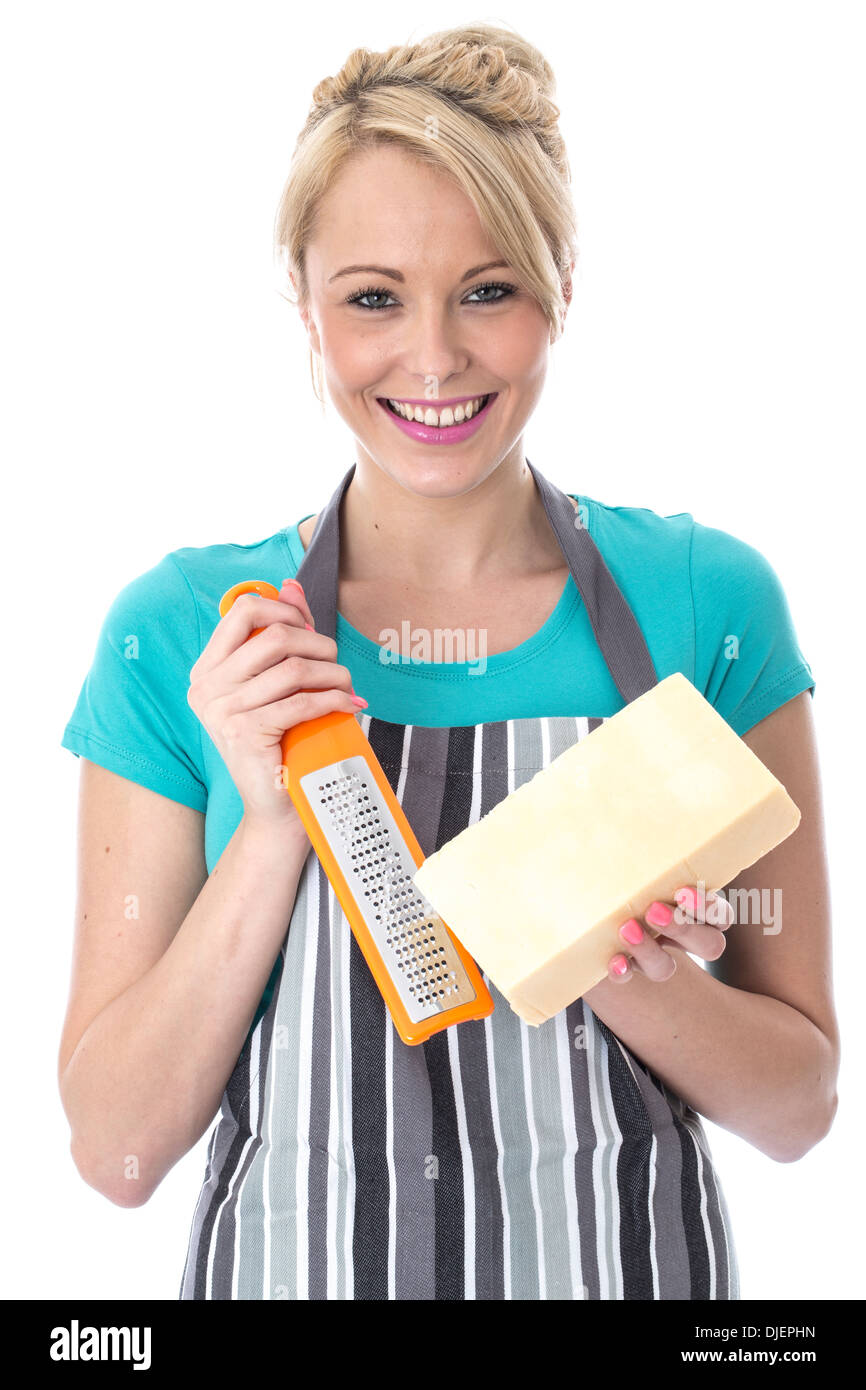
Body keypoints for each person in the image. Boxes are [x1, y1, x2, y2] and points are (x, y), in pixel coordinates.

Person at [57, 22, 838, 1301]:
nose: (432, 358)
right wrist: (266, 827)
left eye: (489, 289)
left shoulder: (705, 605)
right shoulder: (193, 634)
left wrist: (623, 967)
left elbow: (799, 1109)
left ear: (561, 285)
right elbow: (114, 1150)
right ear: (304, 304)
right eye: (372, 298)